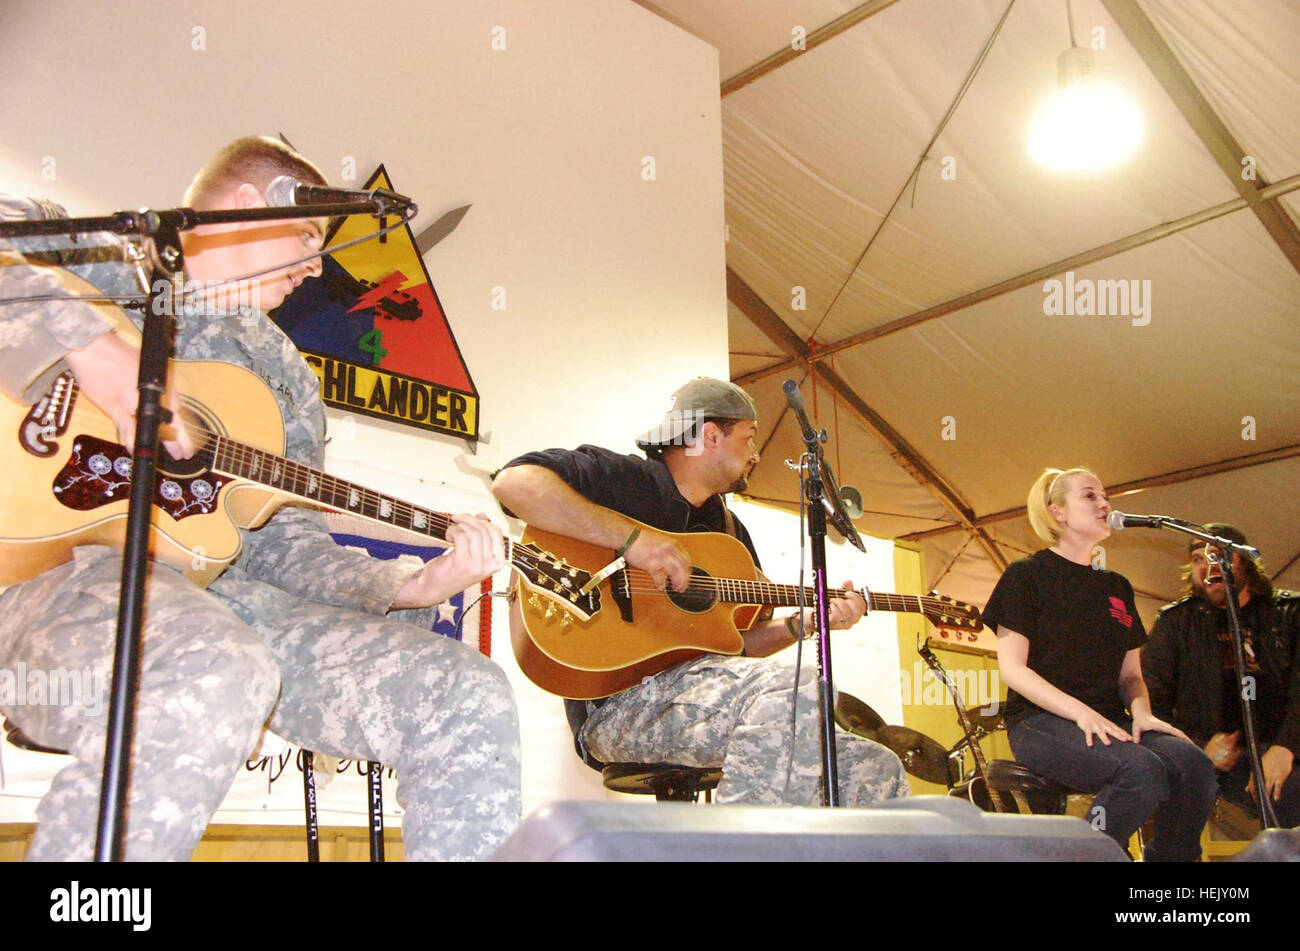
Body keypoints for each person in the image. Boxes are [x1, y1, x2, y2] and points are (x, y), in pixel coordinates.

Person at [0, 136, 520, 861]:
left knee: (466, 690)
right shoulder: (104, 252)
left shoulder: (286, 377)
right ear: (248, 206)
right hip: (52, 576)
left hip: (237, 598)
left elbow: (284, 542)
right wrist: (97, 350)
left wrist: (408, 584)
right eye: (308, 237)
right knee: (216, 663)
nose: (316, 265)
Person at [491, 377, 909, 806]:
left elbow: (736, 644)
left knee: (874, 767)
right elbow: (515, 484)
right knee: (797, 690)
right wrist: (634, 542)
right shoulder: (623, 480)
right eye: (748, 438)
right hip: (619, 706)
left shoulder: (729, 531)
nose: (756, 454)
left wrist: (806, 624)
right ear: (710, 435)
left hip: (708, 694)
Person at [982, 467, 1216, 860]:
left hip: (1113, 720)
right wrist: (1081, 714)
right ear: (1058, 513)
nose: (1105, 504)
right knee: (1142, 771)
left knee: (1194, 766)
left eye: (1105, 495)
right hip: (1040, 723)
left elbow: (1131, 676)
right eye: (1090, 496)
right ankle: (1087, 854)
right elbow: (1013, 669)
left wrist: (1142, 712)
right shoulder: (1026, 575)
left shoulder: (1117, 587)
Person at [1142, 525, 1300, 827]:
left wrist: (1286, 747)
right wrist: (1199, 748)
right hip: (1221, 758)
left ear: (1243, 561)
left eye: (1216, 555)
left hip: (1287, 745)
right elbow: (1149, 705)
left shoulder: (1289, 612)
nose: (1207, 565)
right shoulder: (1176, 623)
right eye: (1198, 559)